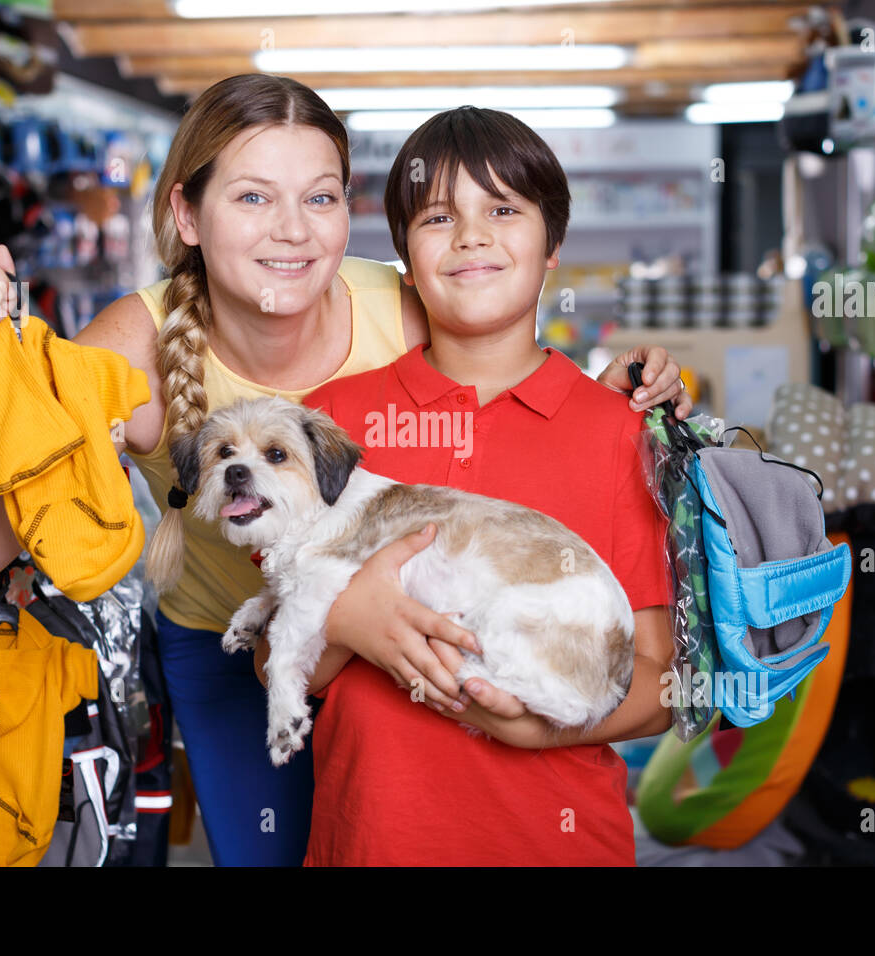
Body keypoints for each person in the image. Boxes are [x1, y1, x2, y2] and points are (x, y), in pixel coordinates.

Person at [0, 74, 691, 867]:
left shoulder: (410, 298)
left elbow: (516, 403)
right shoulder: (132, 350)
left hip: (437, 650)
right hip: (231, 637)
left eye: (320, 198)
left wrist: (625, 408)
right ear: (186, 215)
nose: (292, 232)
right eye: (251, 198)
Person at [275, 105, 674, 866]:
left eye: (503, 209)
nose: (471, 237)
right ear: (404, 254)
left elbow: (659, 682)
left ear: (552, 244)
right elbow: (274, 665)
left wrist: (546, 725)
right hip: (373, 840)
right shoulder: (330, 426)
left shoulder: (618, 433)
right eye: (437, 217)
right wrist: (349, 616)